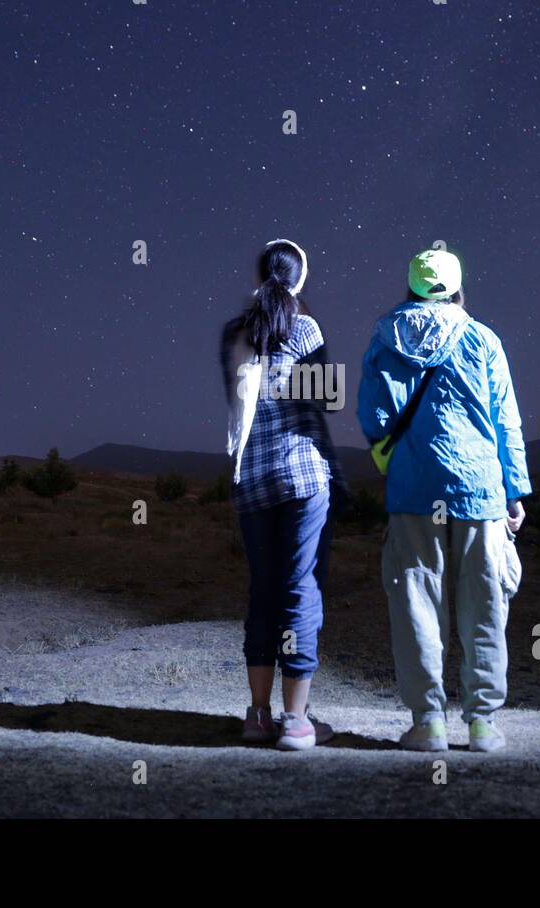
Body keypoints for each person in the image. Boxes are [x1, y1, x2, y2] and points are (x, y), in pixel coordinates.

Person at [356, 249, 530, 752]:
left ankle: (428, 721)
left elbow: (373, 414)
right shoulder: (483, 338)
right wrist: (515, 490)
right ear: (457, 288)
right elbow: (506, 421)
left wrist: (394, 463)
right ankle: (482, 724)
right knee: (485, 604)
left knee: (416, 602)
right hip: (480, 491)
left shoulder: (386, 336)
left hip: (413, 491)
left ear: (410, 286)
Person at [220, 239, 344, 751]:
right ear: (299, 279)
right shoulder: (304, 327)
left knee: (263, 590)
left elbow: (240, 404)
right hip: (301, 476)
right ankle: (297, 721)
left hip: (252, 480)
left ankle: (257, 715)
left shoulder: (235, 333)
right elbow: (331, 399)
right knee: (300, 587)